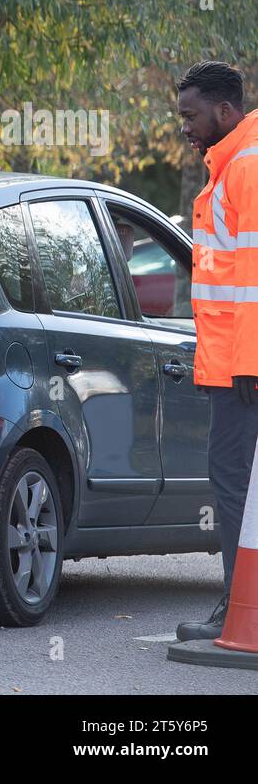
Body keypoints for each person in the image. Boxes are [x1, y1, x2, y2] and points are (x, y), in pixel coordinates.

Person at [176, 61, 258, 641]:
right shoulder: (232, 167)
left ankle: (236, 610)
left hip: (242, 367)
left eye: (190, 115)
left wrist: (248, 363)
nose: (184, 126)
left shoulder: (246, 170)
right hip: (233, 362)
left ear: (224, 112)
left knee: (232, 484)